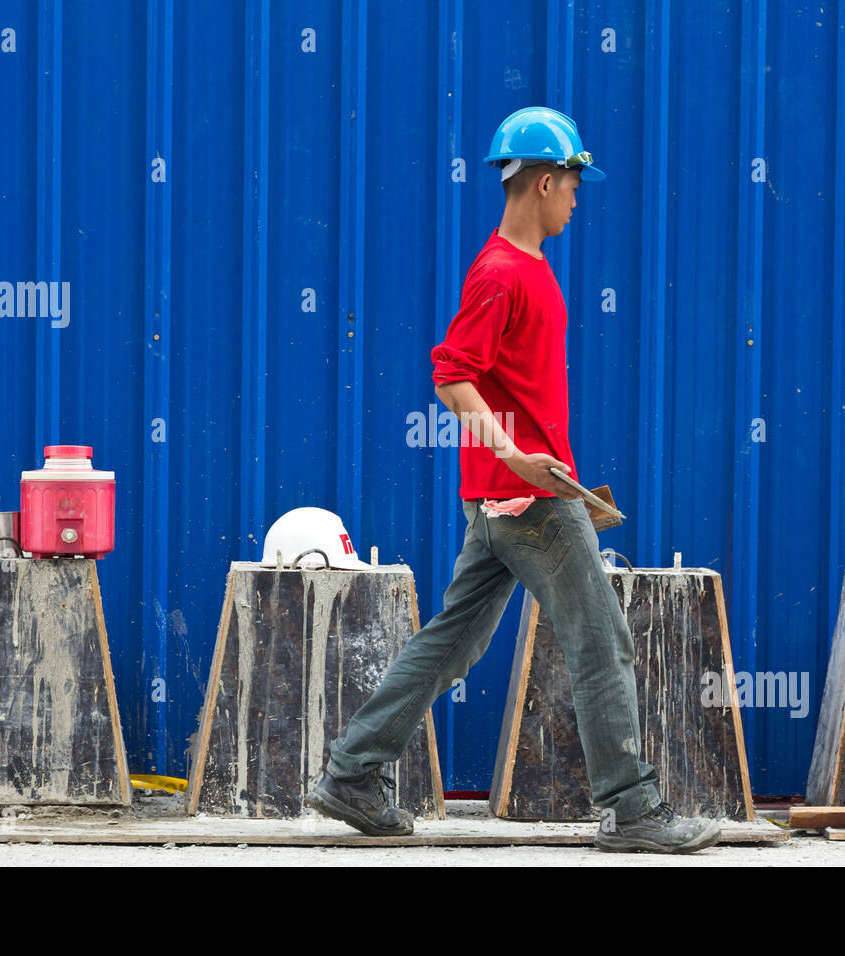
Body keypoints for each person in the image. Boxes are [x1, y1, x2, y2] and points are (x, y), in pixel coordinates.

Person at [304, 106, 720, 853]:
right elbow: (450, 376)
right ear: (546, 182)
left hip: (502, 497)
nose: (577, 199)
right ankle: (632, 808)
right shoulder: (501, 273)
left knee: (450, 645)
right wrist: (519, 457)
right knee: (601, 640)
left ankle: (351, 774)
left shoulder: (526, 267)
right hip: (528, 498)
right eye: (573, 185)